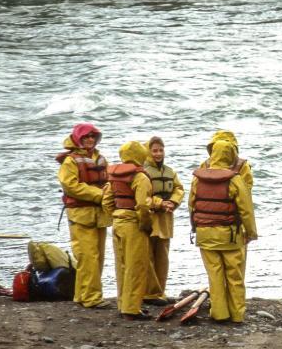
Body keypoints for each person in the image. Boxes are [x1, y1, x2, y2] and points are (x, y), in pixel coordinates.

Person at [190, 135, 258, 323]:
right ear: (230, 155)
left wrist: (195, 227)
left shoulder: (198, 178)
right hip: (230, 236)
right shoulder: (235, 179)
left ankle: (219, 314)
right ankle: (237, 315)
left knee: (215, 275)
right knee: (234, 277)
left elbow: (192, 205)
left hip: (205, 234)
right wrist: (251, 233)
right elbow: (246, 209)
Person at [56, 123, 110, 309]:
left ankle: (82, 294)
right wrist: (99, 194)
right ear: (78, 138)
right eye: (86, 137)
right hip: (80, 214)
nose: (90, 140)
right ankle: (91, 297)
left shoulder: (101, 158)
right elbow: (70, 185)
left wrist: (110, 195)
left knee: (98, 256)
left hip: (100, 215)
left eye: (93, 137)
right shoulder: (70, 161)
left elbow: (109, 182)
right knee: (88, 256)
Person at [102, 140, 154, 321]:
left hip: (117, 222)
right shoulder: (141, 177)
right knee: (136, 266)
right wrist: (146, 225)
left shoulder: (114, 176)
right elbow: (142, 205)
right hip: (133, 223)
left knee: (121, 265)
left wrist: (115, 215)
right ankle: (132, 309)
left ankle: (123, 304)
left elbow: (106, 201)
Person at [142, 136, 184, 306]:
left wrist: (173, 202)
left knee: (163, 255)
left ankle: (160, 290)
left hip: (166, 218)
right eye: (154, 150)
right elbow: (142, 197)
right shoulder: (143, 172)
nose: (158, 153)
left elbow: (179, 189)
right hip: (151, 217)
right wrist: (159, 203)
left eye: (161, 150)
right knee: (147, 255)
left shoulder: (169, 171)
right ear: (148, 152)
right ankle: (149, 292)